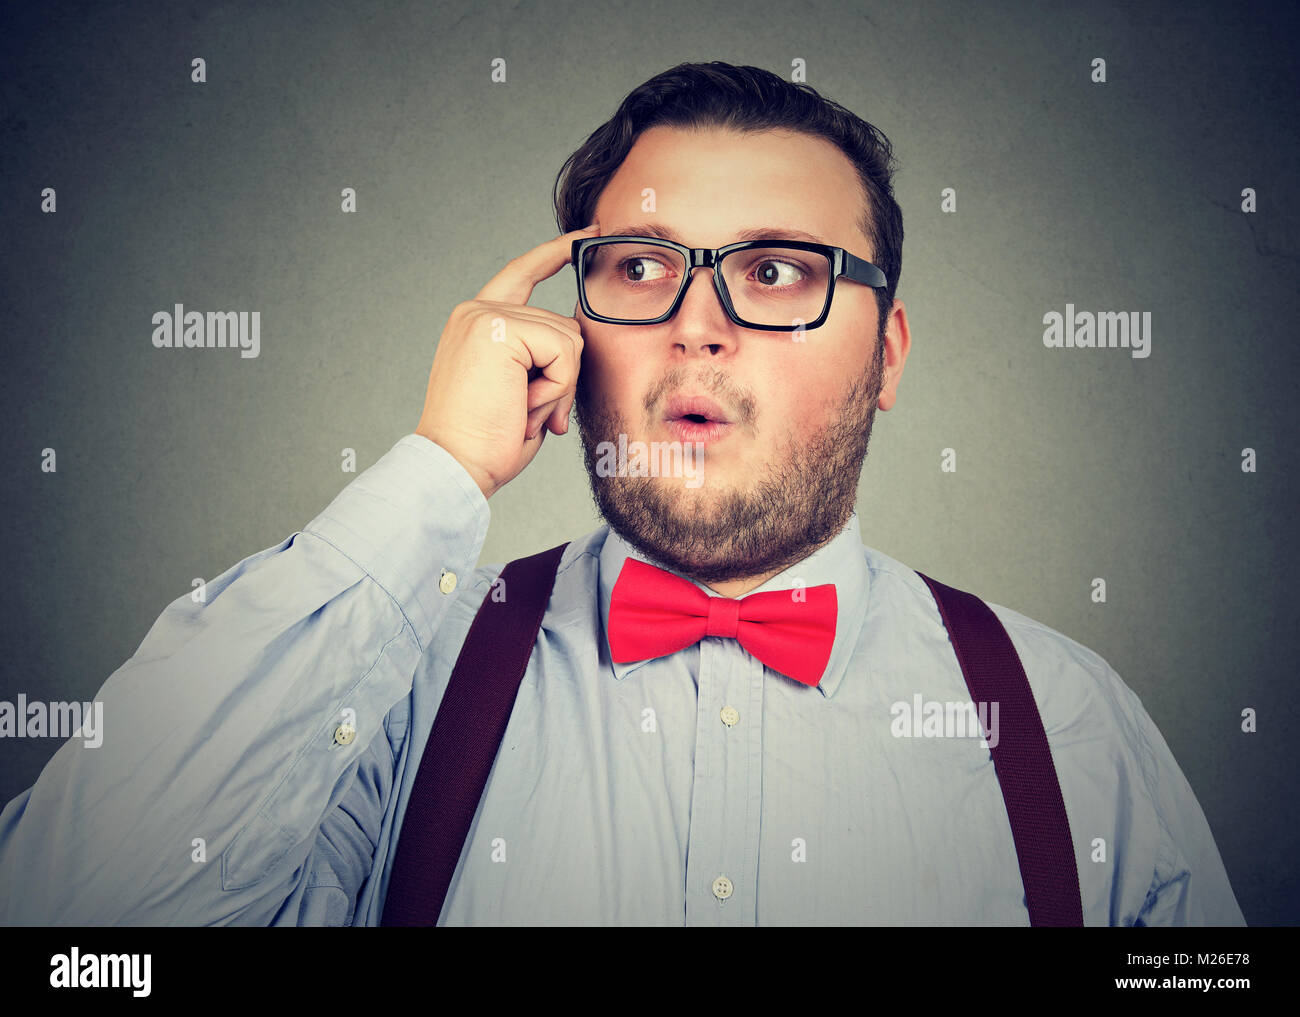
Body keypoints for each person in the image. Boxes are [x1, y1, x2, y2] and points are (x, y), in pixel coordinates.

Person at [0, 61, 1243, 926]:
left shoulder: (1072, 729)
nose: (699, 326)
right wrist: (436, 473)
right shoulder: (394, 692)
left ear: (888, 357)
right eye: (642, 267)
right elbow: (71, 928)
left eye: (775, 270)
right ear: (566, 324)